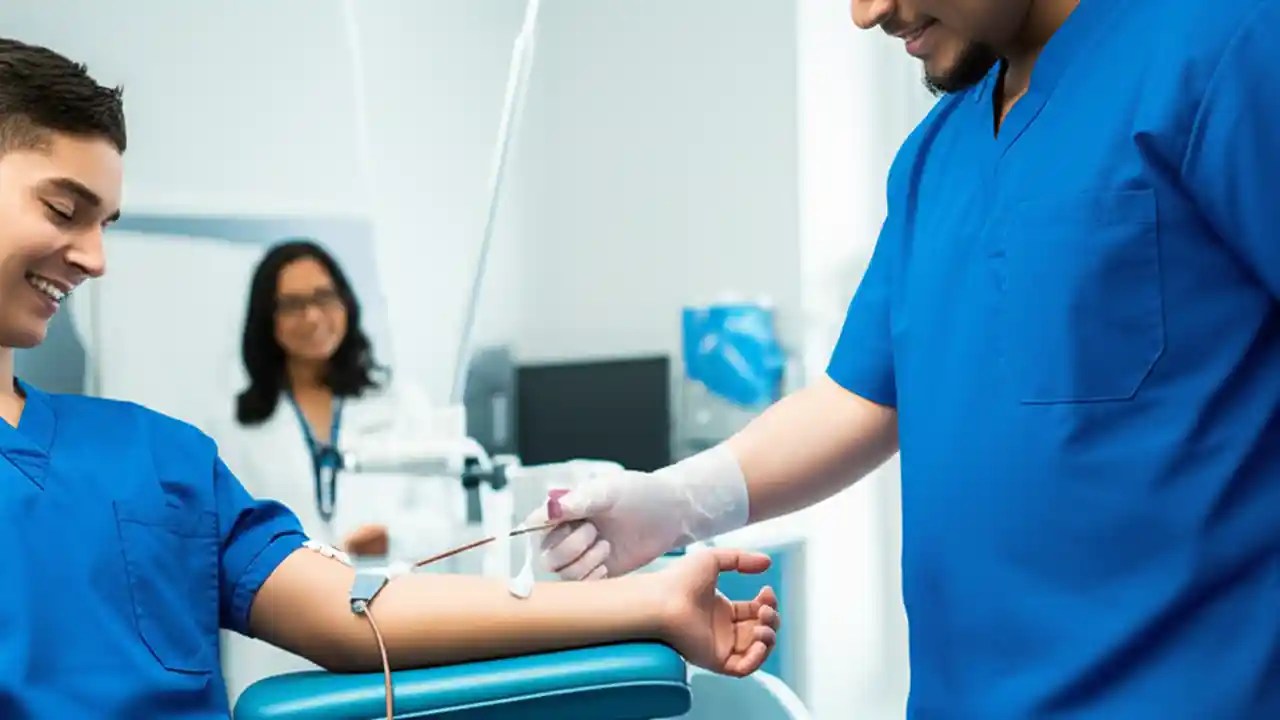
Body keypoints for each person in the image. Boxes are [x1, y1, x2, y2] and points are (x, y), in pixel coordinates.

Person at [531, 0, 1280, 717]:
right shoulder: (936, 154)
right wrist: (672, 504)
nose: (866, 12)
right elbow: (861, 396)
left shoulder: (1230, 45)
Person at [0, 37, 780, 718]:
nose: (95, 259)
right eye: (64, 209)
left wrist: (650, 600)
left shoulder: (160, 458)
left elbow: (347, 613)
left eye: (105, 226)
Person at [212, 239, 471, 701]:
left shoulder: (400, 404)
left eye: (323, 297)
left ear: (345, 302)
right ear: (266, 321)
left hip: (385, 620)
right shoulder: (235, 424)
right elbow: (226, 541)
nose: (311, 316)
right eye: (291, 305)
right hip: (278, 640)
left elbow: (447, 523)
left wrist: (391, 538)